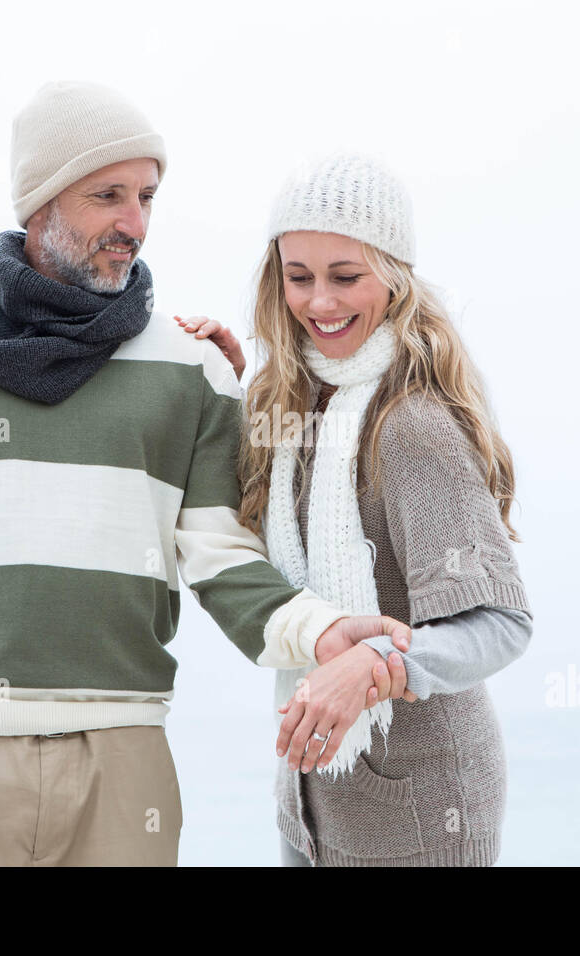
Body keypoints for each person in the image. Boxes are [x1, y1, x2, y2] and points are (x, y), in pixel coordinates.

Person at [0, 83, 416, 867]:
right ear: (40, 201)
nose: (134, 223)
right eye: (108, 195)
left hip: (122, 768)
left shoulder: (192, 368)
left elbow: (220, 557)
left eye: (145, 196)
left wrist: (322, 629)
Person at [180, 153, 535, 866]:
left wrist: (373, 661)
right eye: (298, 277)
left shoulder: (410, 425)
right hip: (313, 798)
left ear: (395, 278)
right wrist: (231, 393)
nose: (319, 303)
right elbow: (247, 537)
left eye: (346, 277)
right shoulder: (294, 405)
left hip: (422, 808)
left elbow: (500, 624)